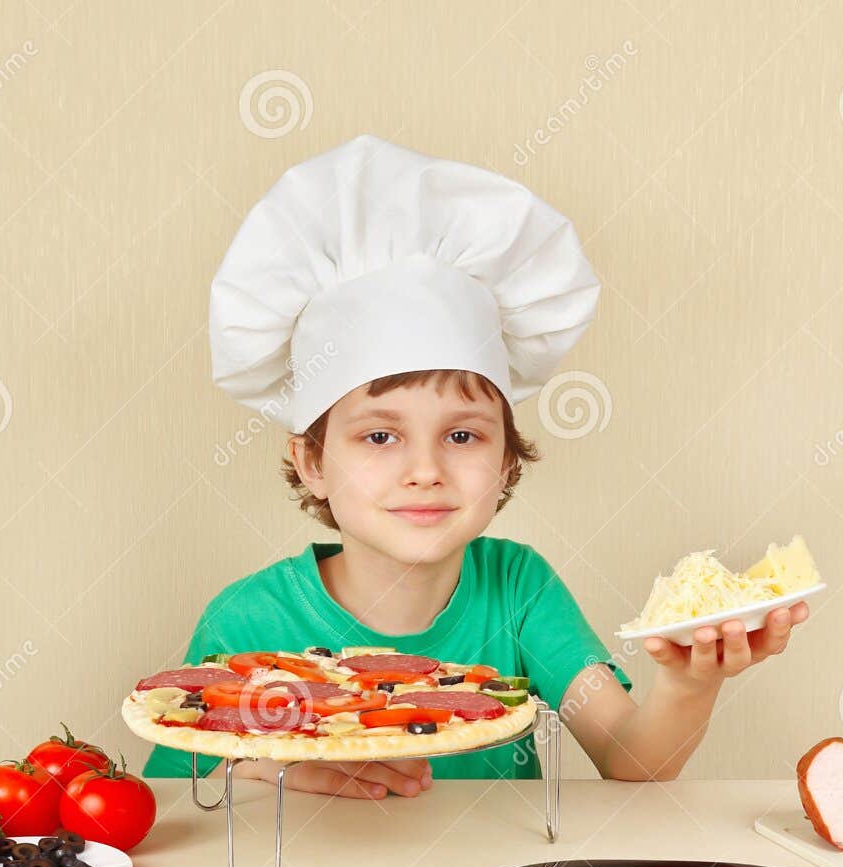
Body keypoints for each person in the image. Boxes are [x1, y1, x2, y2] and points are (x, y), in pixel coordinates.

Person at [141, 136, 807, 798]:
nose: (425, 468)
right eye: (379, 436)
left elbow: (632, 759)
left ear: (506, 456)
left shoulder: (518, 592)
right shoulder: (246, 623)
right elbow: (178, 799)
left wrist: (691, 684)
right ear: (311, 460)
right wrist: (264, 768)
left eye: (461, 434)